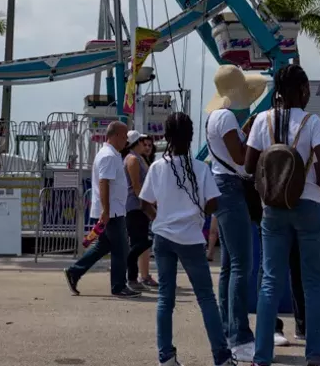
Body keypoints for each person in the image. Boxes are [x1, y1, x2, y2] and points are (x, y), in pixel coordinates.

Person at [244, 63, 320, 366]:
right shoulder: (312, 121)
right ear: (302, 89)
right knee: (313, 283)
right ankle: (315, 356)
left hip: (273, 210)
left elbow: (248, 166)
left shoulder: (261, 122)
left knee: (270, 282)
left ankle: (262, 356)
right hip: (308, 206)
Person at [141, 112, 233, 366]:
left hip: (163, 237)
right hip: (191, 239)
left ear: (166, 137)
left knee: (165, 300)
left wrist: (159, 218)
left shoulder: (158, 166)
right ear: (191, 137)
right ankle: (222, 357)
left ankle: (166, 357)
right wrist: (201, 210)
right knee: (205, 298)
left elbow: (144, 202)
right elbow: (214, 201)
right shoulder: (200, 168)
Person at [206, 64, 268, 358]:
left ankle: (227, 328)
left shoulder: (215, 117)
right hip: (232, 187)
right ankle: (240, 336)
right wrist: (255, 139)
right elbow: (241, 158)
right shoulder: (227, 118)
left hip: (222, 187)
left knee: (230, 266)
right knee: (243, 264)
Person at [65, 119, 139, 297]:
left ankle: (74, 271)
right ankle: (119, 286)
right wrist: (106, 211)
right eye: (123, 136)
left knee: (102, 246)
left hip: (114, 209)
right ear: (113, 136)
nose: (125, 141)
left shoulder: (111, 154)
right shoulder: (108, 155)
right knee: (121, 249)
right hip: (112, 211)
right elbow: (103, 182)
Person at [124, 133, 157, 288]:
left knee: (141, 242)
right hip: (135, 206)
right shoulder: (133, 159)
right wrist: (149, 205)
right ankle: (130, 276)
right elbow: (137, 188)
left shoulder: (140, 158)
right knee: (140, 243)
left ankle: (134, 277)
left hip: (141, 206)